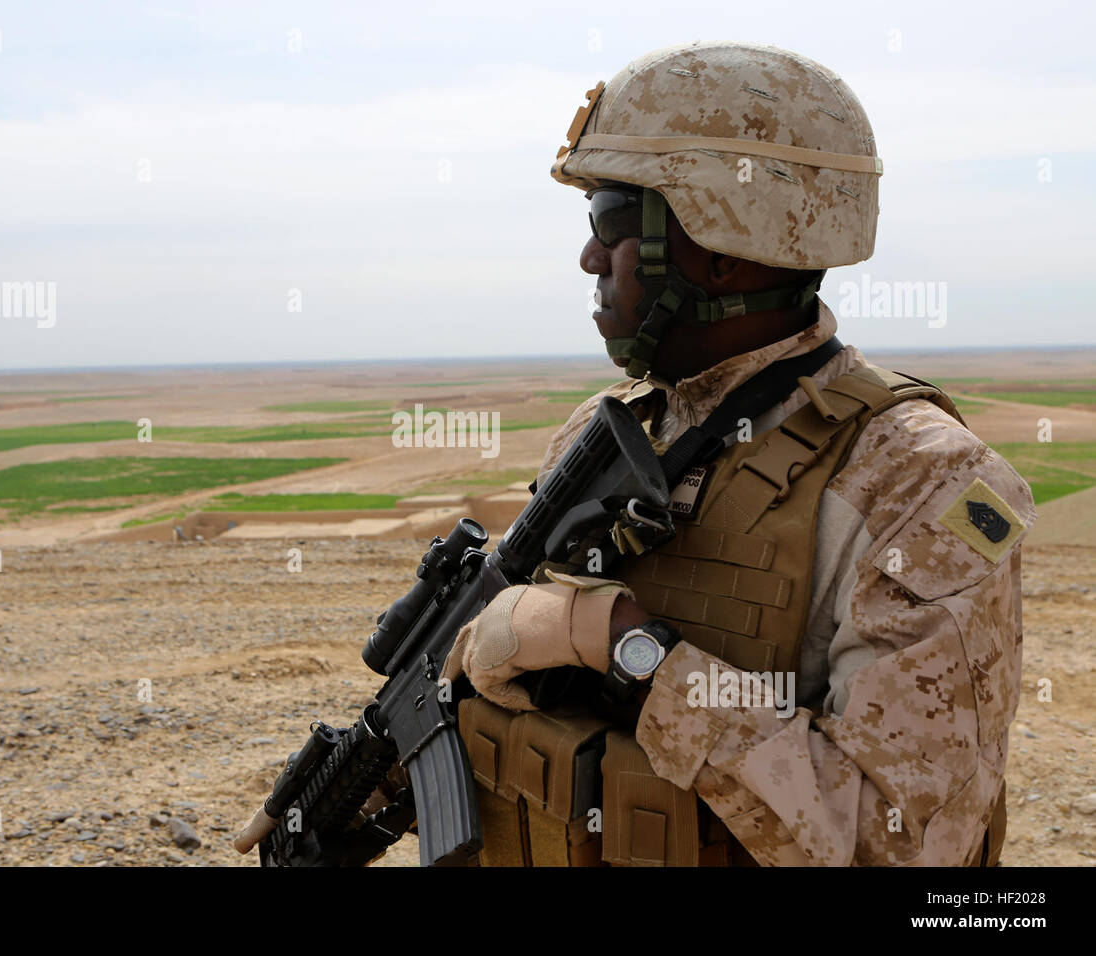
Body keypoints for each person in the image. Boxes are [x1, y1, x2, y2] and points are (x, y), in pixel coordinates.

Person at [436, 40, 1035, 867]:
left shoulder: (917, 479)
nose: (588, 259)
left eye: (612, 224)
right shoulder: (599, 434)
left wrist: (625, 644)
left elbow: (898, 846)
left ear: (723, 241)